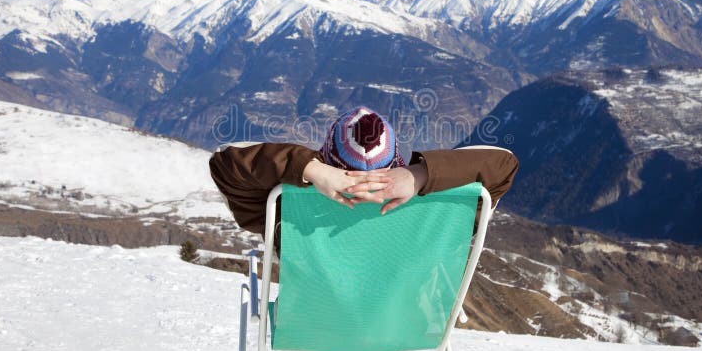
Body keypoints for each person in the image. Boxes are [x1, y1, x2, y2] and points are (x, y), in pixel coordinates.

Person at [209, 106, 519, 248]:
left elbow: (224, 164)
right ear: (396, 160)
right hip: (412, 325)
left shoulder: (286, 210)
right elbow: (503, 166)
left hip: (311, 323)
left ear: (327, 157)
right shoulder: (437, 215)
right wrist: (423, 174)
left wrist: (309, 169)